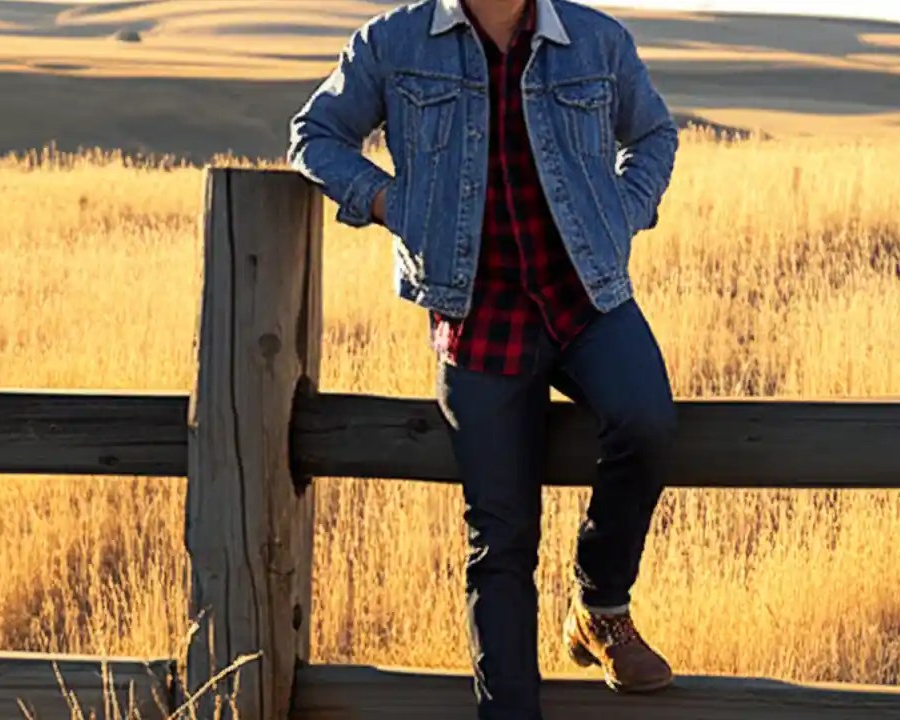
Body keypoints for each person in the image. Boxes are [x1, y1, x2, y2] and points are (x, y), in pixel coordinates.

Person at [287, 0, 679, 717]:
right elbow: (315, 135)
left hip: (586, 292)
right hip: (478, 309)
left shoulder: (595, 39)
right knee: (500, 537)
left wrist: (622, 211)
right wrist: (389, 204)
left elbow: (653, 134)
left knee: (645, 418)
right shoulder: (393, 42)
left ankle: (600, 605)